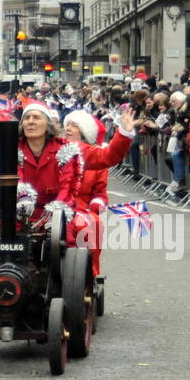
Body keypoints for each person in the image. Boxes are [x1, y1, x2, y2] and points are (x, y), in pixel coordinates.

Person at [63, 108, 135, 279]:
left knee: (92, 225)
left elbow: (100, 193)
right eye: (67, 125)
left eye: (74, 126)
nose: (68, 129)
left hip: (81, 210)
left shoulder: (88, 153)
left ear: (84, 132)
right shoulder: (55, 148)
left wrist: (96, 205)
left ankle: (88, 275)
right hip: (52, 207)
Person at [15, 101, 84, 228]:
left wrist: (56, 211)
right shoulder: (13, 149)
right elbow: (16, 179)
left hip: (56, 213)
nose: (30, 122)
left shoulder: (65, 149)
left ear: (48, 125)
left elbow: (67, 186)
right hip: (21, 210)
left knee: (78, 231)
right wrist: (22, 199)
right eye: (27, 118)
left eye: (36, 117)